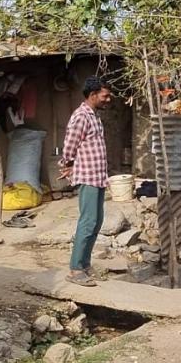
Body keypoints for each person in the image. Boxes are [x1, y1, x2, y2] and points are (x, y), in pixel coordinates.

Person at [60, 76, 113, 287]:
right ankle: (75, 269)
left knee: (97, 221)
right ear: (92, 95)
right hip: (89, 177)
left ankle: (85, 265)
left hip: (98, 177)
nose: (108, 99)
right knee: (88, 222)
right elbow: (69, 145)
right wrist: (67, 164)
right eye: (105, 95)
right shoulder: (81, 116)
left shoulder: (94, 116)